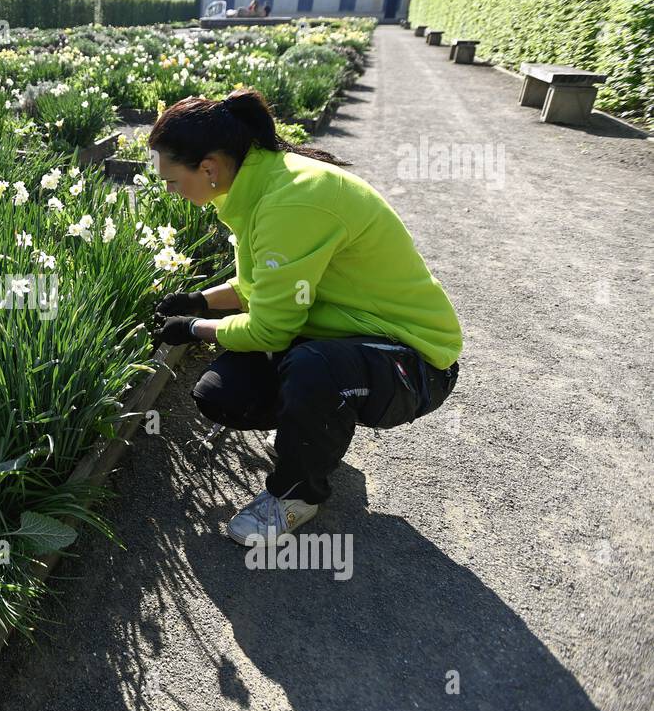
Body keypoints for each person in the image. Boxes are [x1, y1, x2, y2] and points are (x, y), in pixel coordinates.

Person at [147, 90, 462, 547]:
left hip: (414, 360)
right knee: (223, 394)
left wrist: (193, 328)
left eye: (173, 181)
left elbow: (270, 328)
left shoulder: (291, 201)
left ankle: (297, 495)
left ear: (209, 167)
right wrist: (199, 301)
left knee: (314, 368)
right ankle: (313, 432)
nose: (171, 192)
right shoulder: (259, 188)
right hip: (348, 337)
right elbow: (264, 290)